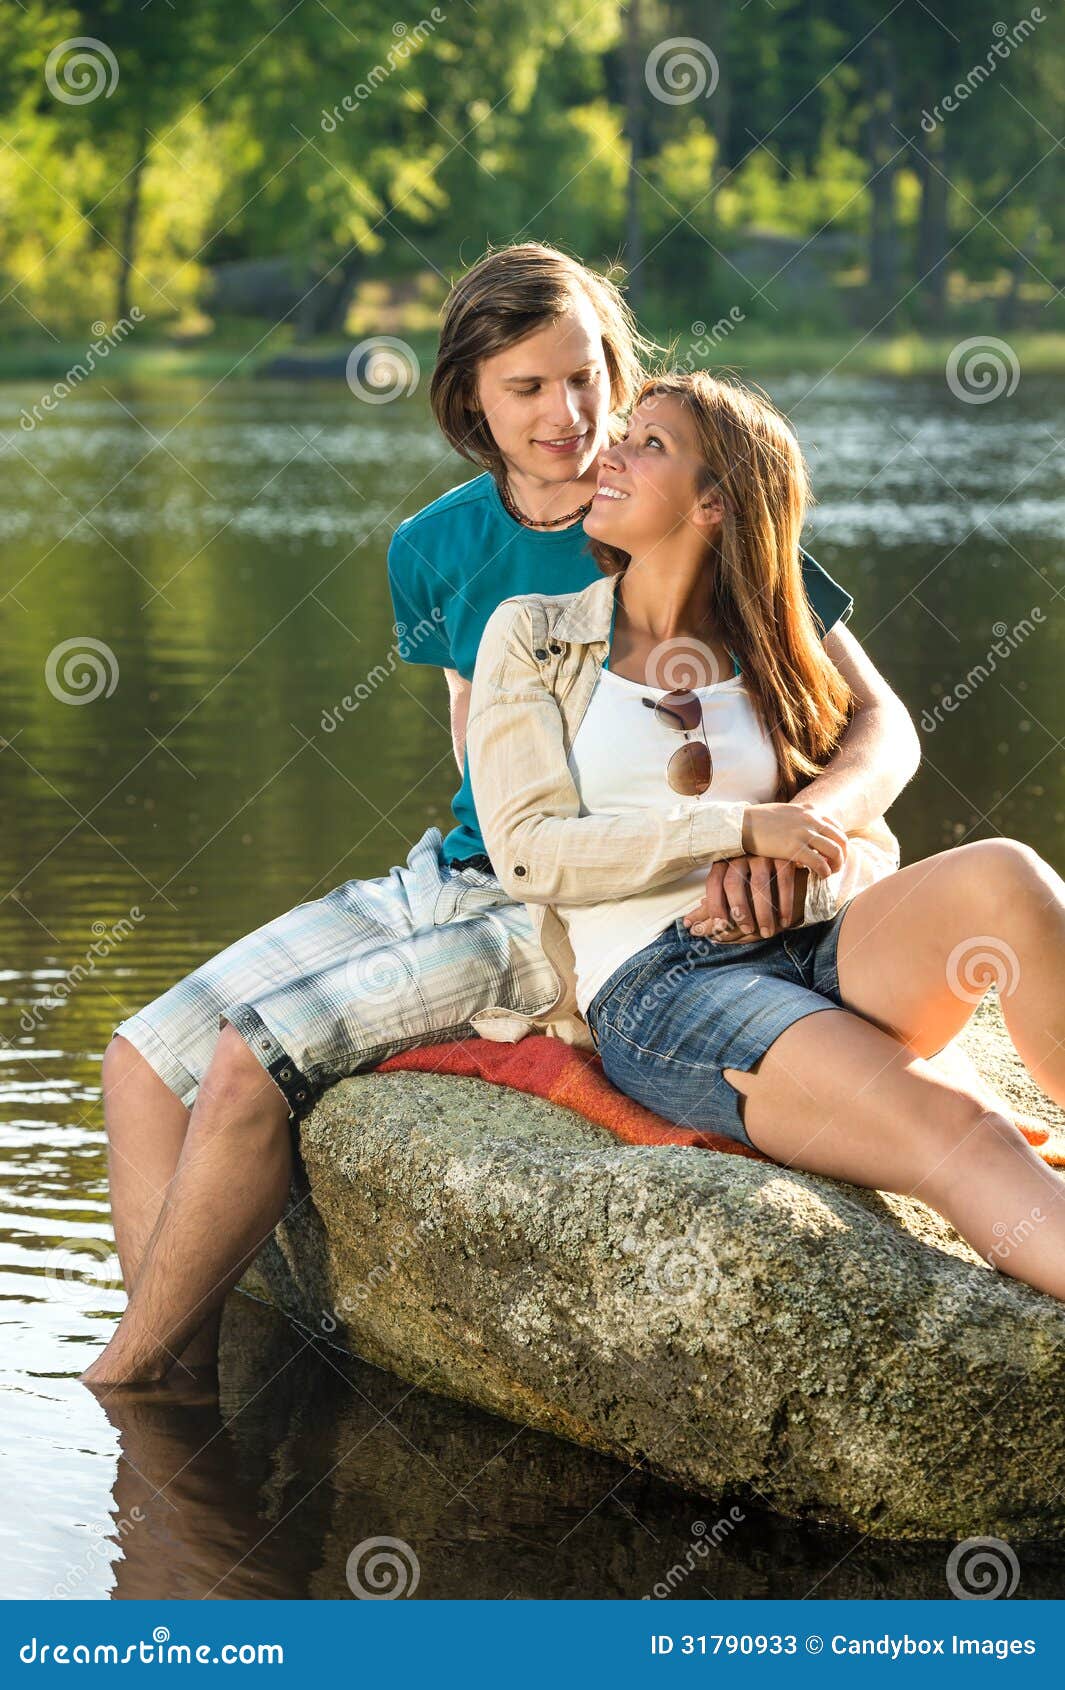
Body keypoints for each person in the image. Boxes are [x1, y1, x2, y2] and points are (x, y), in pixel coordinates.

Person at [83, 246, 918, 1388]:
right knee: (137, 1060)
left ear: (618, 368)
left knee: (246, 1063)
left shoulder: (689, 510)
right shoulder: (436, 550)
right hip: (466, 867)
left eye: (586, 378)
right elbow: (483, 762)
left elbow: (885, 726)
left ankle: (126, 1387)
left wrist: (808, 821)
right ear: (469, 396)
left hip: (577, 899)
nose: (569, 415)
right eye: (526, 388)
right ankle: (169, 1386)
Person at [466, 369, 1065, 1303]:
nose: (607, 451)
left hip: (817, 942)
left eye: (648, 442)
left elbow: (868, 797)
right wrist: (738, 830)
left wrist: (804, 863)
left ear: (713, 503)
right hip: (664, 983)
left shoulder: (777, 644)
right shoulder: (533, 637)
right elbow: (527, 849)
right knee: (965, 1131)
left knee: (1009, 876)